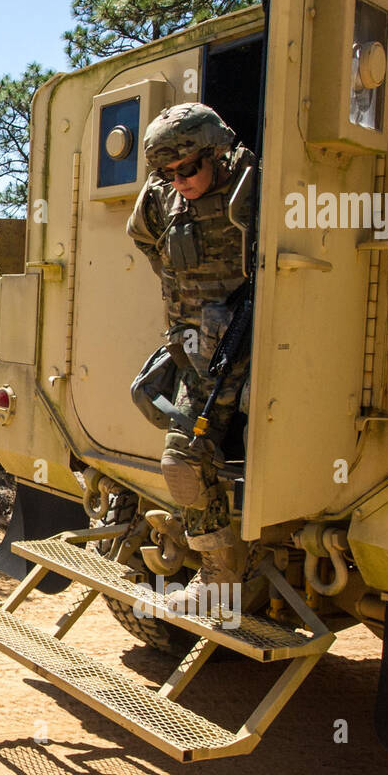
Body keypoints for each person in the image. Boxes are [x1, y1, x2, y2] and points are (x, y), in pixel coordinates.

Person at [125, 103, 257, 606]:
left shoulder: (253, 188)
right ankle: (220, 580)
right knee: (181, 461)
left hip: (253, 346)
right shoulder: (162, 197)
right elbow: (143, 237)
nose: (181, 180)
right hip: (197, 351)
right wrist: (181, 300)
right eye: (168, 172)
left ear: (214, 152)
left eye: (188, 168)